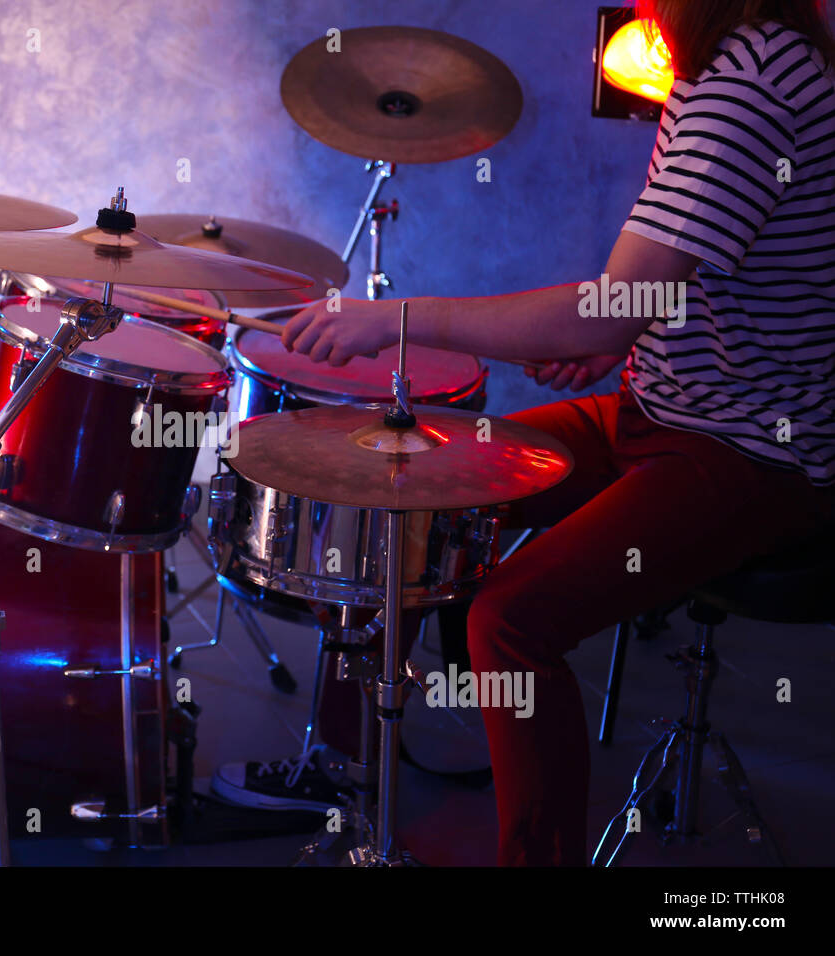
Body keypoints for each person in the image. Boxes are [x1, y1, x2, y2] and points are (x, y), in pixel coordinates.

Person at [216, 0, 835, 865]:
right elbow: (671, 281)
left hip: (749, 448)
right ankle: (342, 766)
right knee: (407, 491)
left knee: (511, 619)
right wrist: (625, 335)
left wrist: (393, 320)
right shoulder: (725, 62)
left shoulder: (751, 84)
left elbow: (608, 310)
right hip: (656, 404)